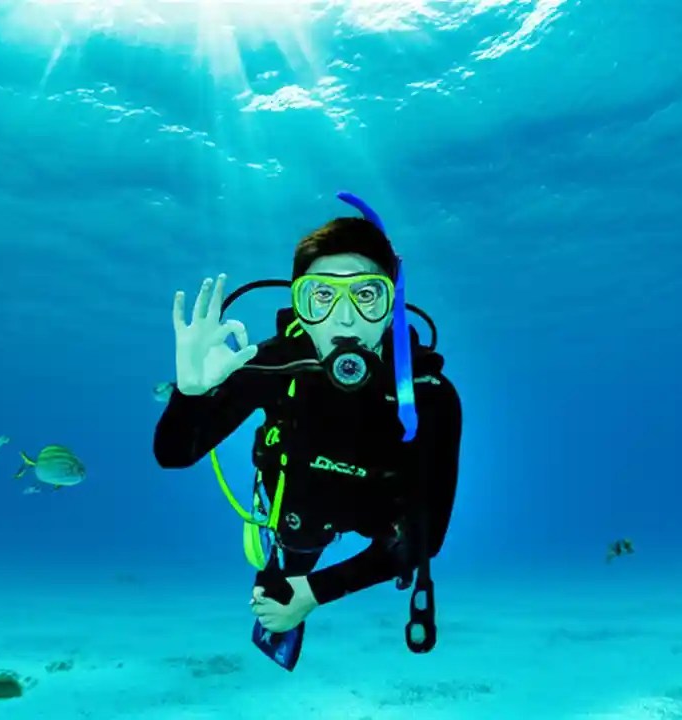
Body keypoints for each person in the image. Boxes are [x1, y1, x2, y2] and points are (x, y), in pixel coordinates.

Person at [153, 193, 462, 671]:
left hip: (382, 515)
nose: (343, 319)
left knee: (390, 549)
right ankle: (286, 559)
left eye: (365, 294)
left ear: (391, 303)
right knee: (283, 577)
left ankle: (301, 583)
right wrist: (191, 393)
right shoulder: (273, 365)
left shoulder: (429, 395)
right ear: (299, 303)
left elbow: (427, 541)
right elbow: (173, 453)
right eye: (321, 296)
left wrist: (316, 594)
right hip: (301, 508)